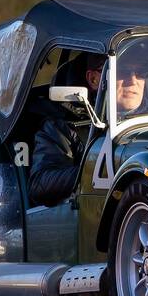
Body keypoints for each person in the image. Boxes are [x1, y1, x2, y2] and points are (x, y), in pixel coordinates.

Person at [27, 54, 105, 207]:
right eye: (122, 73)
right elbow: (40, 183)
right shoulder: (64, 125)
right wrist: (92, 173)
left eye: (141, 73)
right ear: (94, 79)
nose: (133, 81)